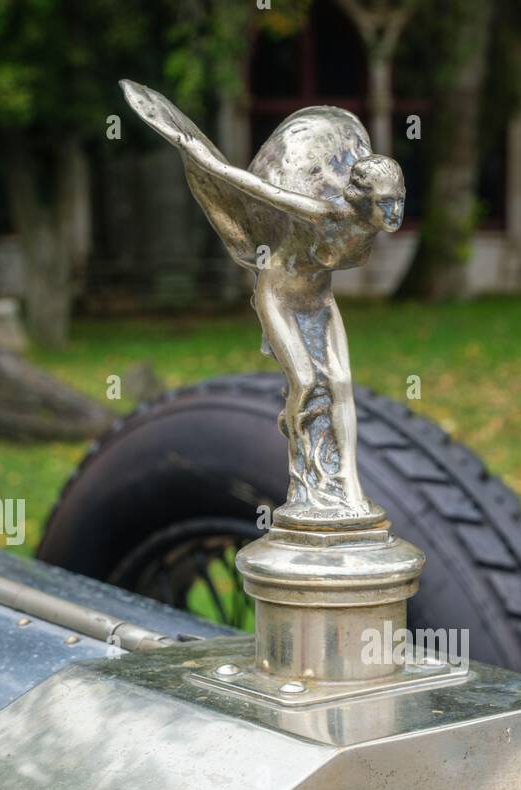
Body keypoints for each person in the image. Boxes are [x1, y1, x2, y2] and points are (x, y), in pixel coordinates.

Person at [121, 81, 405, 525]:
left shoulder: (368, 226)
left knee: (343, 385)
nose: (395, 214)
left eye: (400, 202)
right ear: (363, 199)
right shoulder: (325, 215)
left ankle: (347, 486)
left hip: (318, 299)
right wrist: (196, 152)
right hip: (278, 293)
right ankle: (306, 466)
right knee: (309, 383)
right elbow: (254, 187)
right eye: (386, 204)